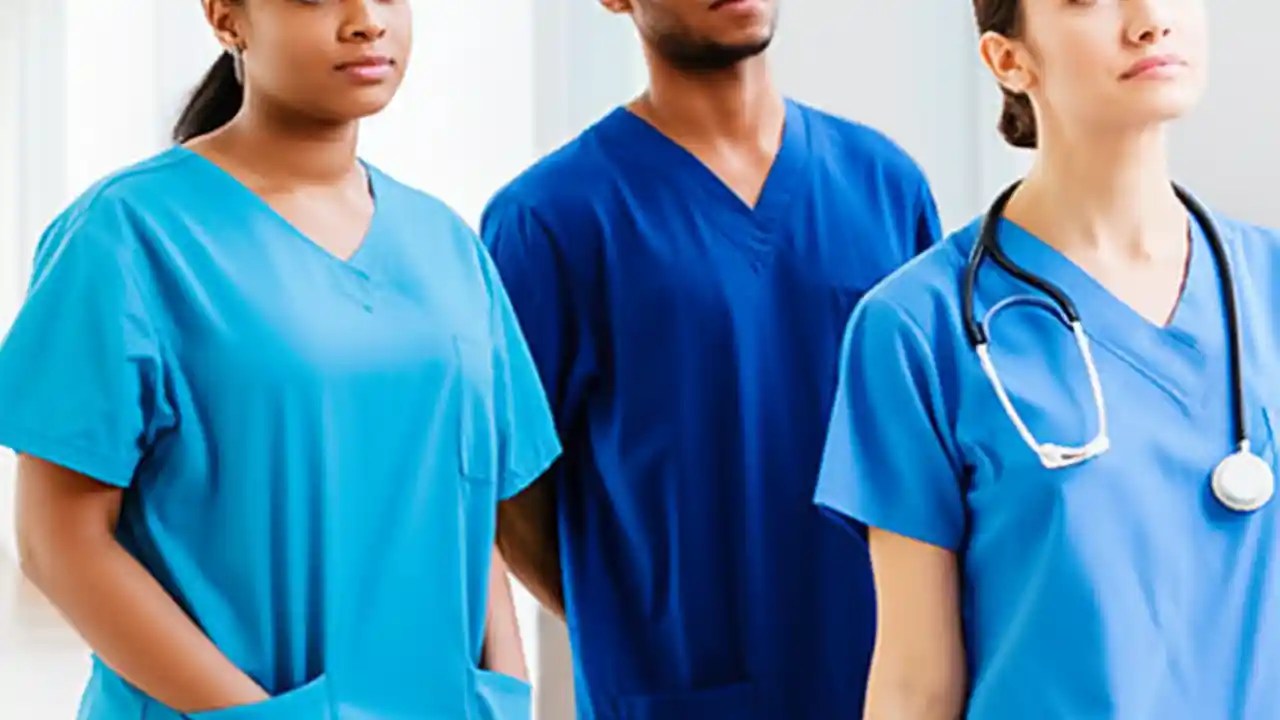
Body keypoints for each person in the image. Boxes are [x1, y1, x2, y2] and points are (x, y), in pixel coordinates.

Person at [0, 1, 560, 718]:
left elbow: (467, 504)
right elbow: (60, 543)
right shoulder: (127, 233)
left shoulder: (446, 244)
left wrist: (505, 695)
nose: (365, 21)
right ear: (227, 17)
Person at [815, 0, 1280, 717]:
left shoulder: (1268, 285)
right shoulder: (918, 327)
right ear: (1008, 60)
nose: (1150, 18)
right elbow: (915, 683)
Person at [481, 1, 940, 717]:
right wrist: (629, 622)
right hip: (678, 691)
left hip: (889, 685)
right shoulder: (550, 218)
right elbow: (514, 495)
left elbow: (932, 453)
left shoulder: (885, 183)